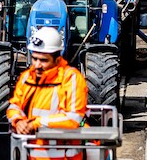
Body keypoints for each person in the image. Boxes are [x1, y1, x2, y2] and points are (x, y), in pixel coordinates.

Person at [7, 26, 89, 159]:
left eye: (43, 60)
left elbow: (74, 119)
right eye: (35, 58)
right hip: (32, 155)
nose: (37, 65)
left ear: (57, 59)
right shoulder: (27, 77)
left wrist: (35, 123)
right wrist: (18, 121)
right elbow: (15, 106)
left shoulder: (71, 79)